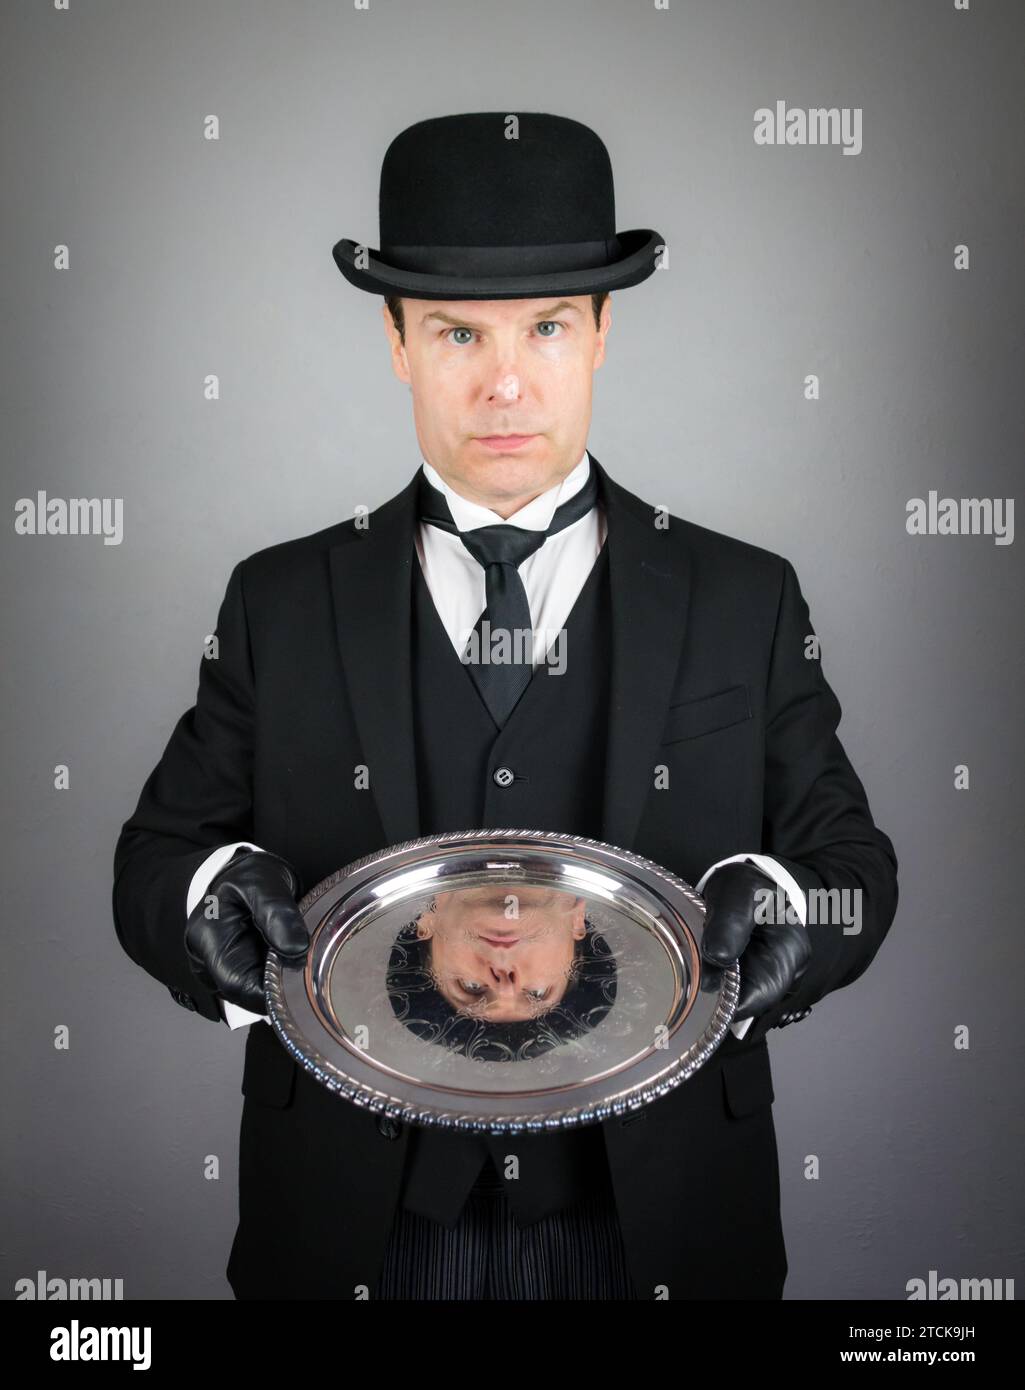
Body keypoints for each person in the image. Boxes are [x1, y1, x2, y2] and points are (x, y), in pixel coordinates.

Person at [111, 111, 899, 1300]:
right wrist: (206, 900)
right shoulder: (277, 600)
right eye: (455, 333)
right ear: (393, 341)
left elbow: (851, 859)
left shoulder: (742, 595)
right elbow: (152, 856)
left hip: (653, 1220)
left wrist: (784, 907)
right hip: (355, 1224)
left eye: (544, 326)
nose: (504, 381)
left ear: (600, 333)